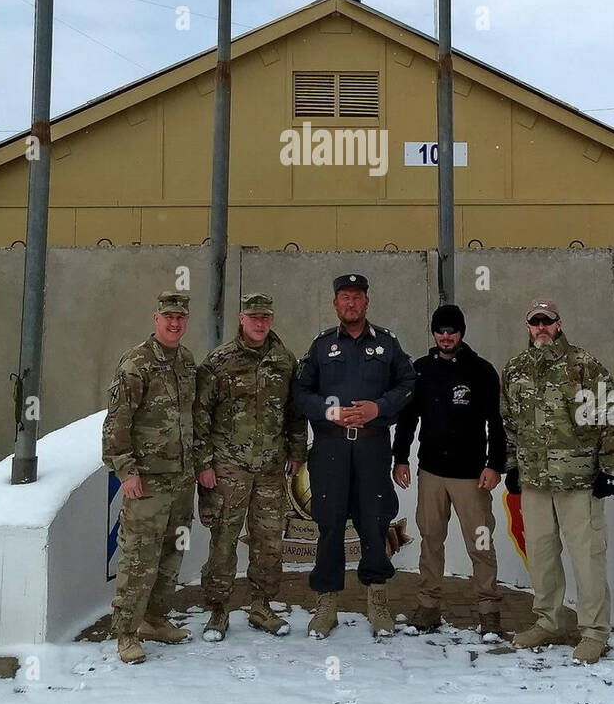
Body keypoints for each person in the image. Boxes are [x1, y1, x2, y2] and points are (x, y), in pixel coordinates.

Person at [501, 299, 614, 664]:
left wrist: (609, 468)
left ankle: (594, 631)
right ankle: (548, 620)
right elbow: (508, 421)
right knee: (541, 555)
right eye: (534, 321)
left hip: (579, 480)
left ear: (559, 324)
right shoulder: (515, 370)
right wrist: (512, 464)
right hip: (535, 481)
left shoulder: (584, 366)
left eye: (548, 321)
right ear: (527, 327)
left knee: (587, 557)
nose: (541, 327)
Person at [293, 273, 416, 639]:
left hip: (372, 446)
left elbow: (409, 385)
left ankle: (377, 601)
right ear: (335, 303)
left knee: (375, 522)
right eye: (344, 297)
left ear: (367, 302)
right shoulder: (321, 346)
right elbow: (300, 392)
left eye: (357, 297)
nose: (351, 304)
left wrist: (378, 409)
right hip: (330, 447)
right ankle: (326, 604)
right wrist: (328, 411)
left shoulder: (387, 344)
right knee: (329, 524)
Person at [193, 293, 306, 641]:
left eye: (265, 317)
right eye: (253, 317)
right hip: (228, 468)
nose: (259, 323)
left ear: (271, 319)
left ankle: (261, 605)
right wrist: (203, 463)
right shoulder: (219, 362)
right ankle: (218, 609)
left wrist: (297, 452)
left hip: (271, 468)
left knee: (269, 541)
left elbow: (295, 411)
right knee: (224, 540)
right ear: (241, 318)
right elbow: (201, 415)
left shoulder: (284, 360)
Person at [392, 303, 505, 639]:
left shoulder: (481, 371)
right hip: (432, 474)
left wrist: (495, 465)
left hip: (471, 476)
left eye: (451, 331)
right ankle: (428, 606)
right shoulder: (422, 370)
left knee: (481, 542)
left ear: (461, 333)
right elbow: (408, 420)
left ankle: (488, 610)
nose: (445, 337)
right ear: (434, 334)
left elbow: (496, 424)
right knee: (430, 540)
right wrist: (400, 458)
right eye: (440, 331)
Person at [102, 291, 196, 664]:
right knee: (139, 556)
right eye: (168, 317)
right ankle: (126, 632)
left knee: (173, 551)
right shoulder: (136, 363)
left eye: (181, 318)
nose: (175, 323)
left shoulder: (186, 362)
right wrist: (126, 470)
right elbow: (117, 420)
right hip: (147, 481)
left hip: (181, 479)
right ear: (155, 318)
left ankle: (155, 619)